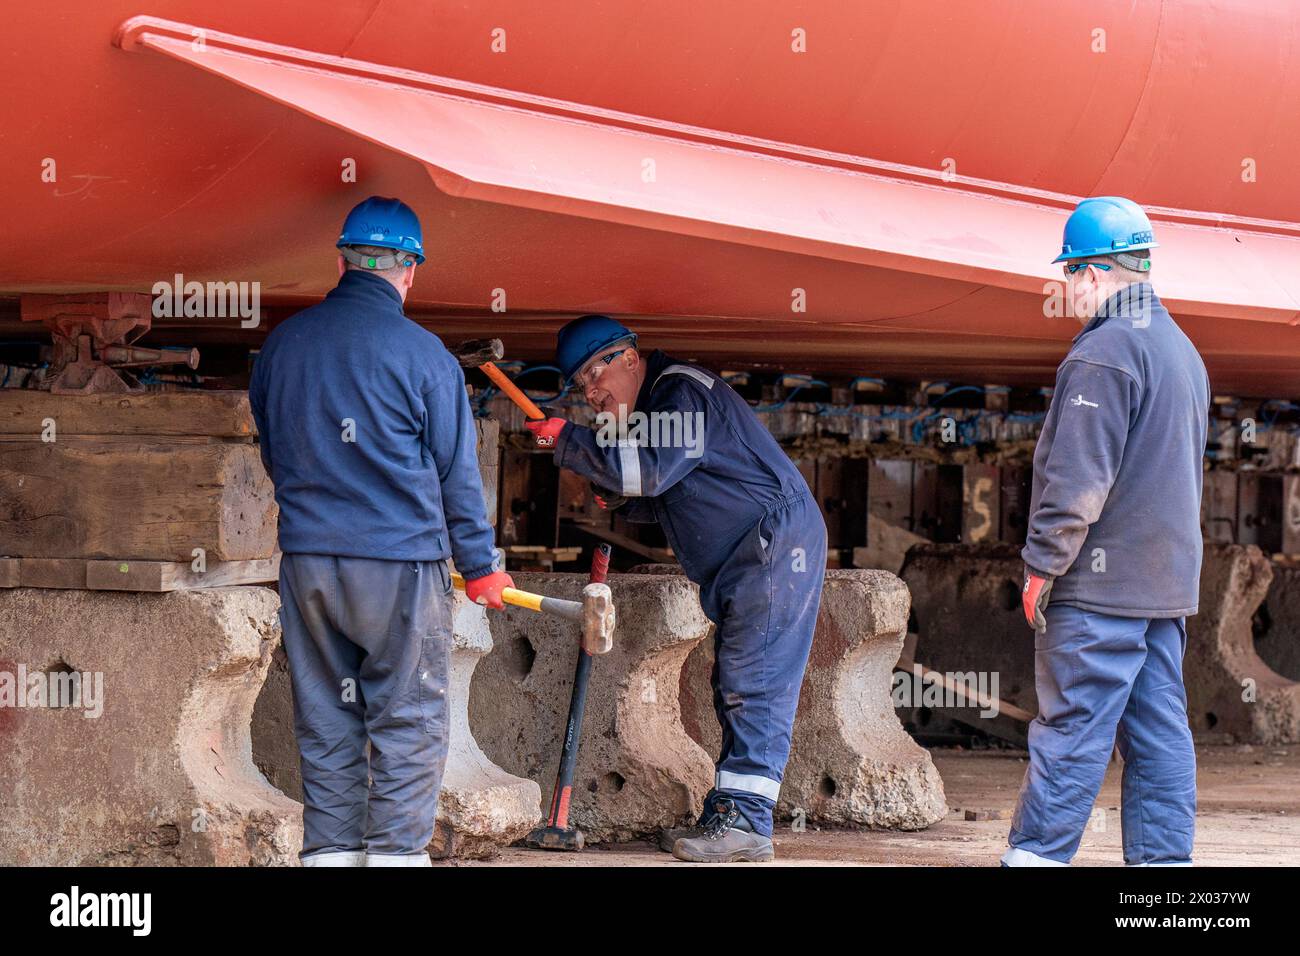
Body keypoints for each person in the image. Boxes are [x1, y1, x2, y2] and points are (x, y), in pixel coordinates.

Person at [249, 196, 513, 867]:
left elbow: (276, 450)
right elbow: (458, 475)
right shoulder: (425, 358)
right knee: (407, 720)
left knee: (327, 719)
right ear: (411, 273)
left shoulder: (283, 345)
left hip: (309, 567)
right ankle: (396, 857)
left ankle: (331, 857)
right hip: (396, 571)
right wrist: (480, 567)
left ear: (340, 261)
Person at [525, 315, 827, 863]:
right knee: (737, 678)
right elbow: (668, 492)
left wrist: (570, 441)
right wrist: (619, 496)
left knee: (752, 679)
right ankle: (730, 813)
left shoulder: (680, 393)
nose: (592, 391)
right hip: (751, 549)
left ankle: (747, 824)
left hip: (771, 545)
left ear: (630, 358)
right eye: (581, 384)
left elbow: (653, 472)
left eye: (597, 372)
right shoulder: (658, 407)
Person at [1008, 196, 1209, 867]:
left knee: (1072, 731)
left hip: (1101, 593)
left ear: (1092, 274)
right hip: (1163, 590)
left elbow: (1076, 483)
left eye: (1069, 275)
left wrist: (1041, 569)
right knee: (1159, 736)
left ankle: (1035, 858)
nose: (1067, 289)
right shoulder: (1183, 354)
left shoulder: (1105, 353)